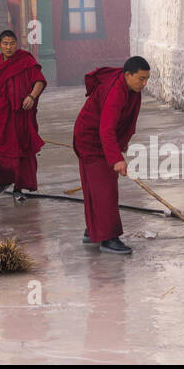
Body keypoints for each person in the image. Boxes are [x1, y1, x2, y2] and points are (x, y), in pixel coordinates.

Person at [73, 56, 150, 255]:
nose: (144, 83)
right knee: (105, 189)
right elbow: (106, 129)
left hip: (99, 138)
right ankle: (108, 238)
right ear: (127, 75)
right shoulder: (116, 91)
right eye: (141, 79)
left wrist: (120, 145)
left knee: (95, 188)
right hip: (91, 139)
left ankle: (93, 231)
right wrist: (116, 158)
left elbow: (126, 121)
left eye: (147, 79)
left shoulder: (131, 89)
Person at [0, 30, 46, 201]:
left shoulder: (26, 60)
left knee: (20, 150)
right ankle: (1, 181)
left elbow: (39, 81)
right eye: (5, 44)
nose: (9, 47)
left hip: (19, 113)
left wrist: (32, 96)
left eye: (12, 43)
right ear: (0, 45)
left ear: (17, 44)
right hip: (0, 112)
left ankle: (19, 187)